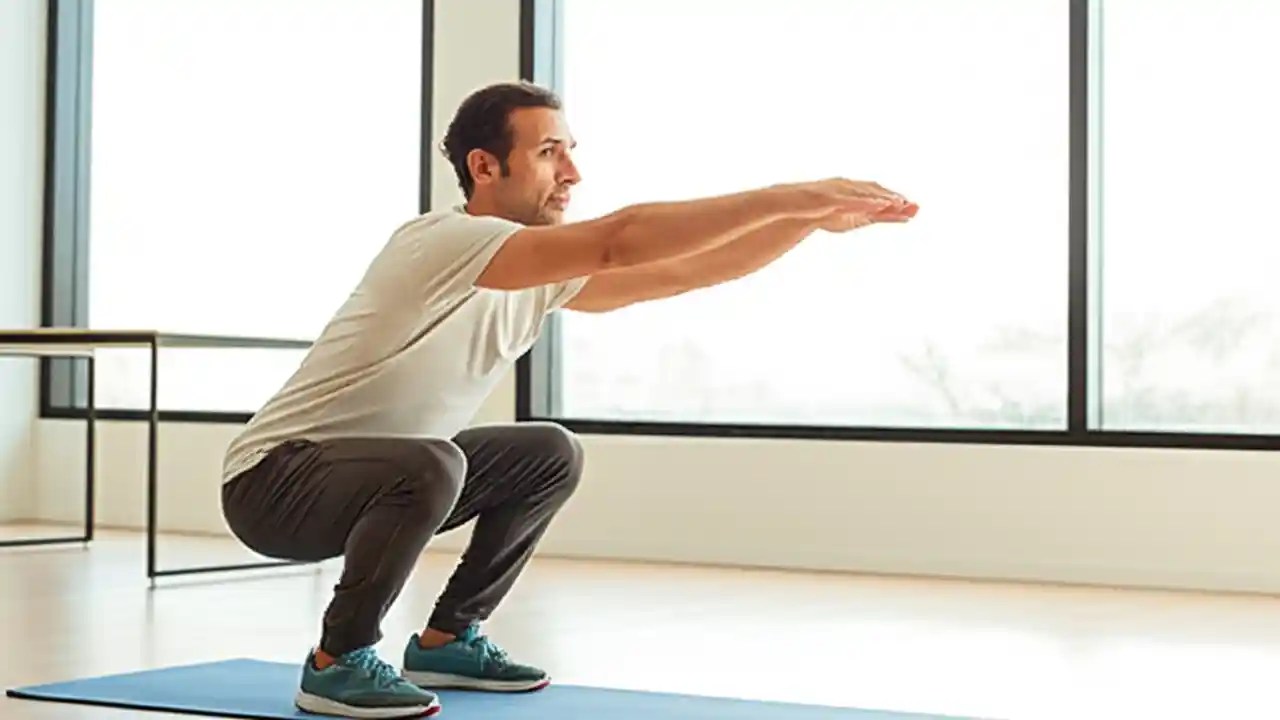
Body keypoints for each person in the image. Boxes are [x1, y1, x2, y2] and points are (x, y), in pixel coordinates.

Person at [218, 80, 917, 719]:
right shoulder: (442, 240)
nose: (572, 174)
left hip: (384, 481)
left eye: (571, 153)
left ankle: (447, 637)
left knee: (548, 452)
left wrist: (809, 222)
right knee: (431, 464)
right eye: (550, 153)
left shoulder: (537, 272)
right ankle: (336, 661)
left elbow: (680, 271)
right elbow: (618, 242)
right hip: (274, 483)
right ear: (485, 167)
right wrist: (795, 193)